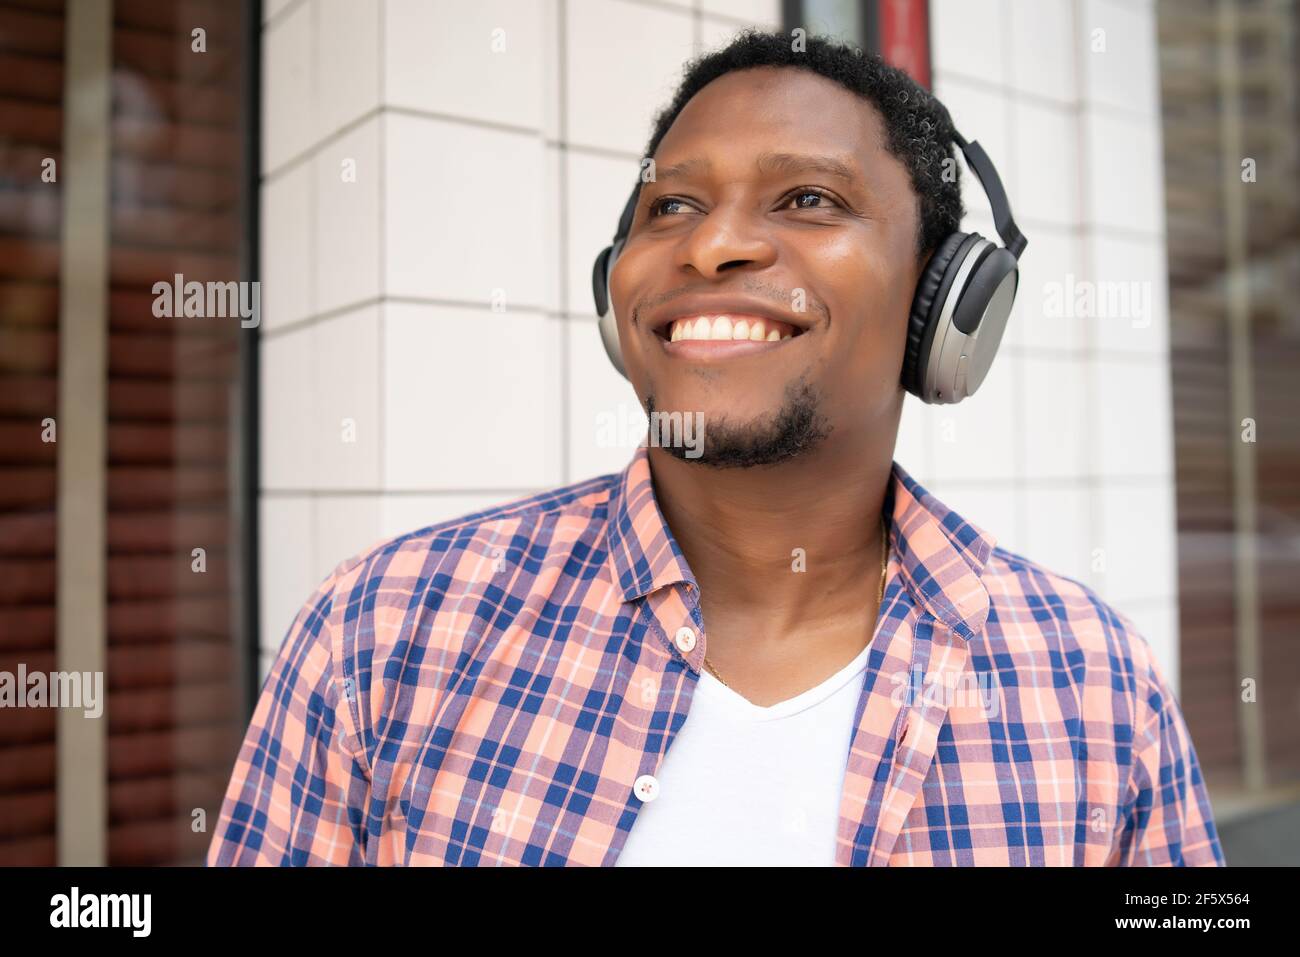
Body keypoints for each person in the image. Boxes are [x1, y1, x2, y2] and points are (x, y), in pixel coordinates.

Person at [208, 29, 1223, 867]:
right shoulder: (386, 629)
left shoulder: (1092, 682)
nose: (708, 247)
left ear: (944, 303)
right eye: (672, 207)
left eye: (808, 200)